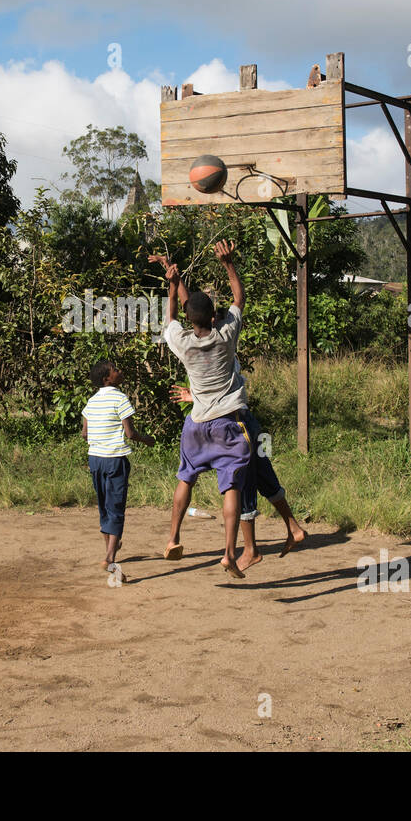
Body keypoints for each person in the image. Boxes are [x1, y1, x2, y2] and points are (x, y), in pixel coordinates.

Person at [159, 242, 258, 578]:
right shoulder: (226, 336)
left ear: (190, 320)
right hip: (228, 424)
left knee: (186, 476)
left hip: (196, 424)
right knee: (230, 487)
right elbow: (239, 298)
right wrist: (228, 264)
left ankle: (173, 538)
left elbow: (173, 315)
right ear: (215, 317)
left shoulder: (182, 342)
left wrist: (172, 284)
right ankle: (229, 553)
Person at [170, 379, 308, 556]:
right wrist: (198, 398)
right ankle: (294, 529)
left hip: (237, 424)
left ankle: (250, 550)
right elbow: (225, 393)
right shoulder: (227, 360)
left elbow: (224, 396)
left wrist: (199, 399)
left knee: (242, 484)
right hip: (248, 421)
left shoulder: (224, 359)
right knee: (264, 475)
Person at [81, 360, 153, 581]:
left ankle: (109, 551)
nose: (120, 371)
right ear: (107, 379)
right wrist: (147, 440)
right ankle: (110, 558)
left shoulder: (91, 402)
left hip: (95, 459)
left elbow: (84, 434)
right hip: (114, 460)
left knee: (104, 506)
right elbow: (130, 433)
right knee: (117, 507)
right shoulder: (120, 398)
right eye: (115, 370)